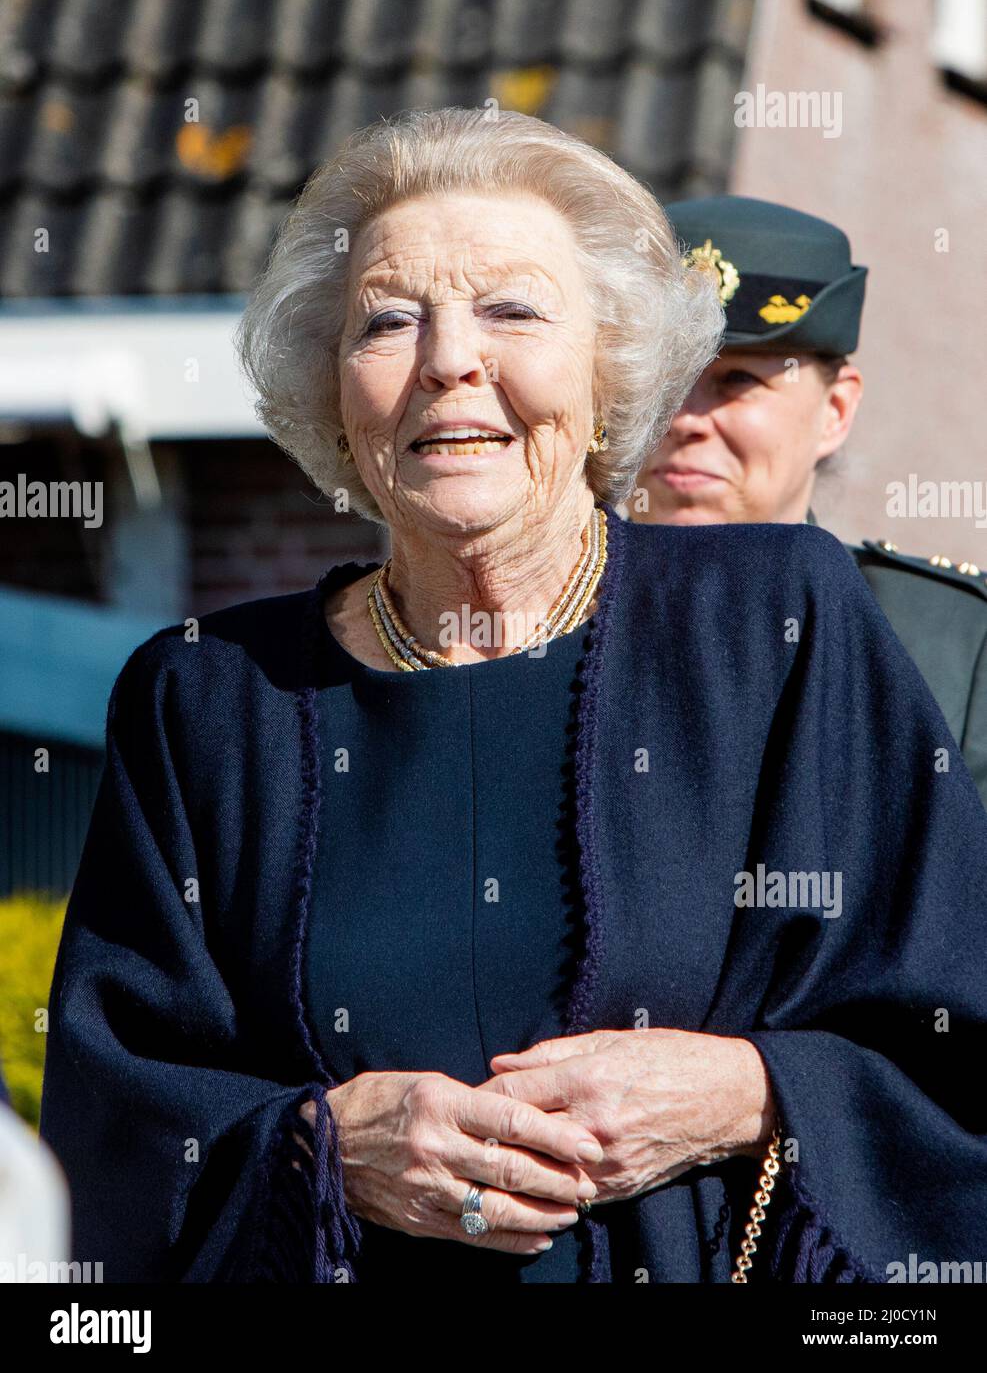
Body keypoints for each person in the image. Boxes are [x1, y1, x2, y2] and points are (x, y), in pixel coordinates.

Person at [39, 109, 987, 1285]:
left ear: (612, 371)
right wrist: (323, 1148)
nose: (449, 359)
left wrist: (750, 1090)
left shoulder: (780, 622)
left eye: (513, 310)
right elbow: (111, 1128)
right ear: (335, 393)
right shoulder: (205, 698)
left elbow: (956, 1031)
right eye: (389, 319)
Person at [631, 195, 987, 807]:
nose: (685, 420)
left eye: (736, 380)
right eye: (662, 380)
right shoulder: (522, 615)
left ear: (836, 410)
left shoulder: (950, 640)